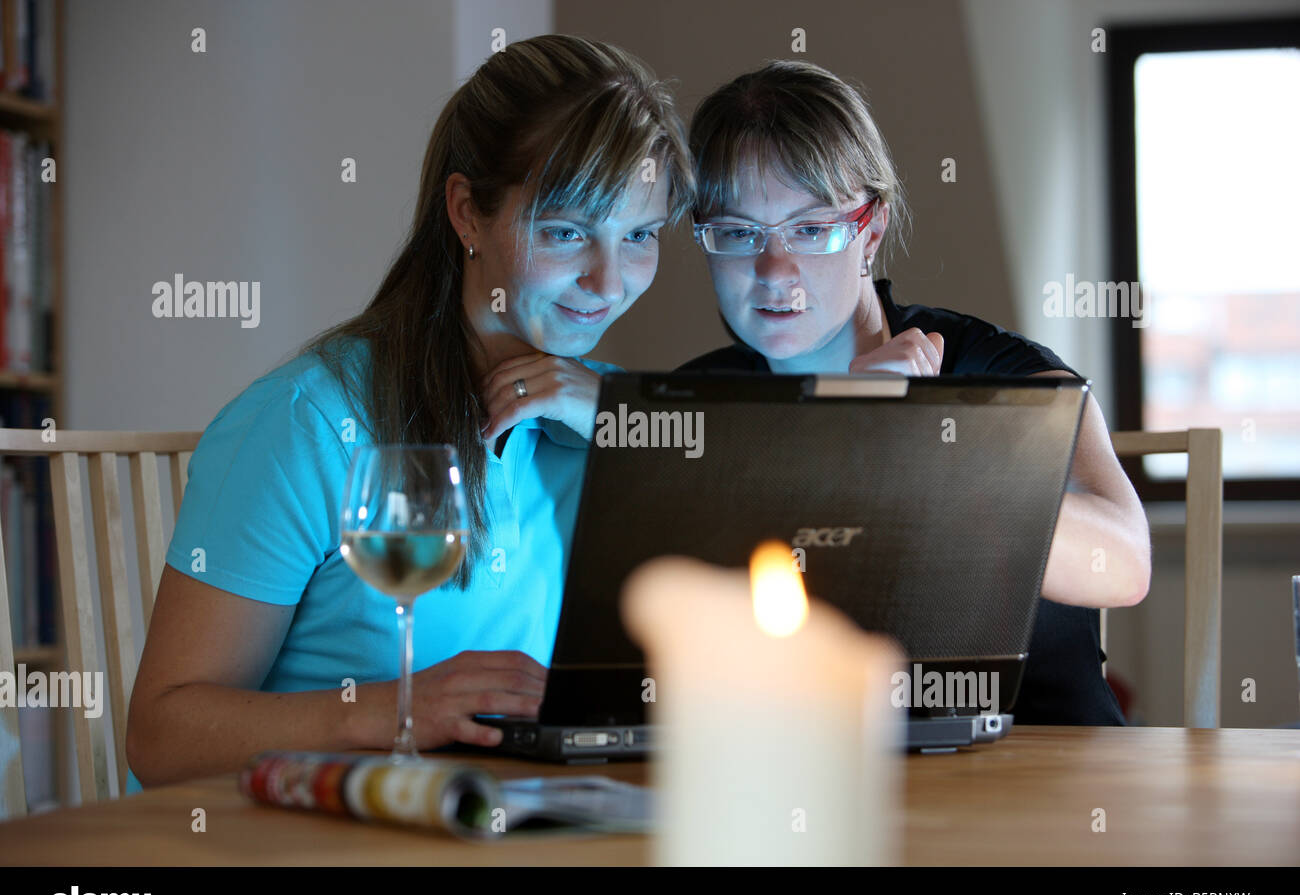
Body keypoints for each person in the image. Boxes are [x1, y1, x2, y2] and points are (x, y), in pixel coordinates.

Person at [125, 36, 693, 787]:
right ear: (467, 213)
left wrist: (630, 427)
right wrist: (391, 711)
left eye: (641, 236)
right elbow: (160, 737)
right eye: (565, 231)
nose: (608, 280)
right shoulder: (309, 423)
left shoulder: (611, 416)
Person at [678, 60, 1150, 725]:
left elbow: (1122, 565)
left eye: (811, 230)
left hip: (1041, 772)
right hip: (830, 778)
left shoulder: (1000, 370)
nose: (772, 270)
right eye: (736, 233)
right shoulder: (694, 406)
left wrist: (913, 438)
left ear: (870, 230)